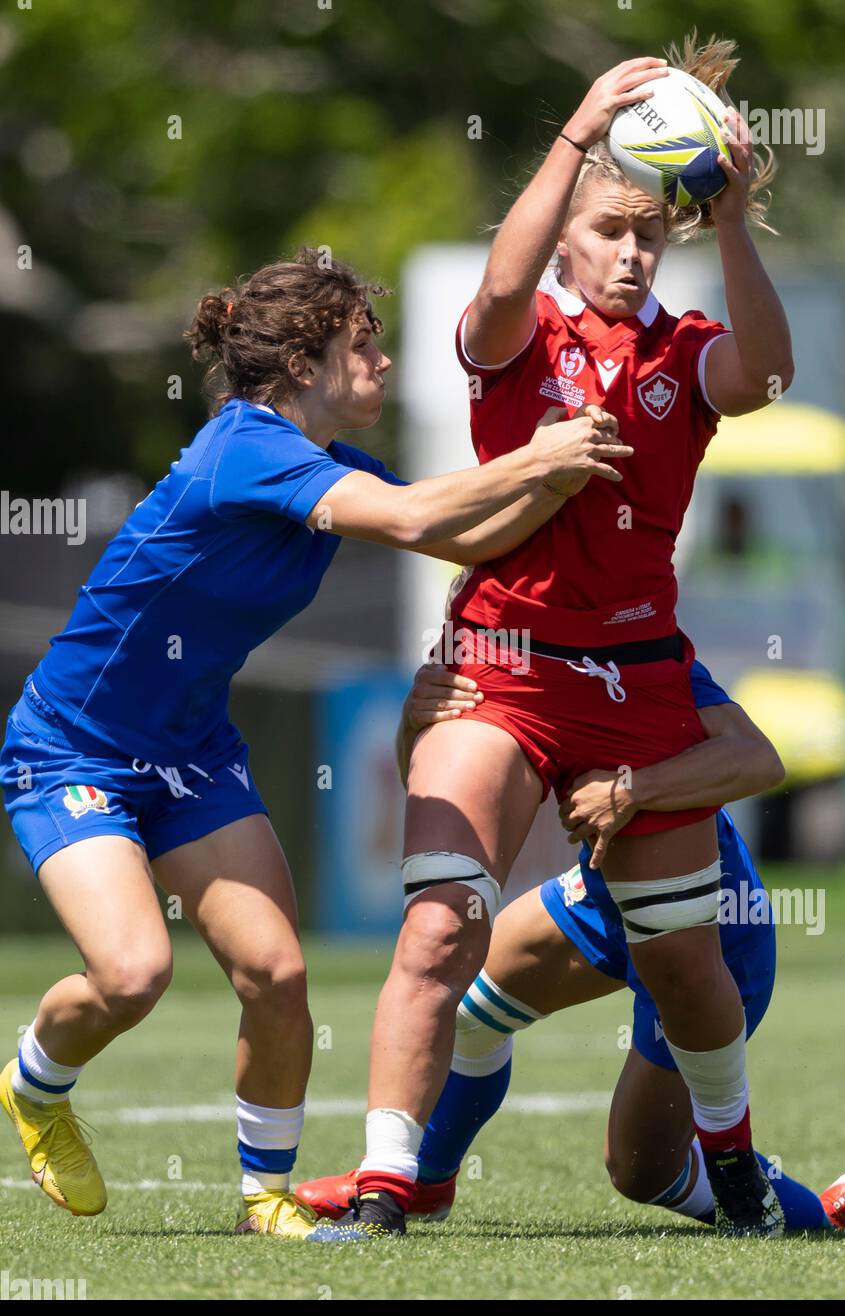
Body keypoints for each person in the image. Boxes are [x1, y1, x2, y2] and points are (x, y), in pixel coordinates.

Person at [0, 248, 628, 1238]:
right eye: (362, 346)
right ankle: (36, 1084)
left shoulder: (327, 465)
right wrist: (539, 456)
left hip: (194, 756)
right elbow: (424, 510)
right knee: (132, 973)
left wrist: (582, 464)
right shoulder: (243, 449)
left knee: (278, 977)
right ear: (301, 366)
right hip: (73, 750)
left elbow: (465, 536)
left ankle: (263, 1200)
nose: (381, 363)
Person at [314, 36, 796, 1242]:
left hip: (635, 681)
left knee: (686, 966)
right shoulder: (517, 342)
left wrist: (730, 219)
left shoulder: (681, 358)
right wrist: (581, 126)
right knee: (438, 921)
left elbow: (769, 372)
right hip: (501, 667)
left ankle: (729, 1154)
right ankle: (384, 1184)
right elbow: (492, 288)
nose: (631, 251)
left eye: (652, 233)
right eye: (609, 229)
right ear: (567, 236)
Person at [297, 660, 845, 1234]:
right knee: (468, 1009)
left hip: (707, 924)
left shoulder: (636, 645)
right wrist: (416, 724)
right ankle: (424, 1183)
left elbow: (760, 759)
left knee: (640, 1171)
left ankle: (813, 1213)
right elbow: (435, 793)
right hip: (603, 898)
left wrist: (633, 788)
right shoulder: (510, 656)